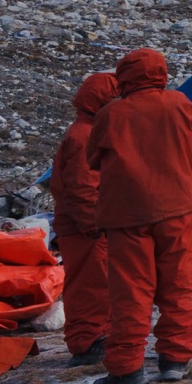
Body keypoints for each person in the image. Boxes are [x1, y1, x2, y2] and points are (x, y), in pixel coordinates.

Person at [88, 46, 192, 384]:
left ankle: (126, 368)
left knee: (132, 292)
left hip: (128, 214)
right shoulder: (181, 103)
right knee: (178, 285)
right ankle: (175, 360)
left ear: (125, 76)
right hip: (177, 207)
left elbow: (93, 158)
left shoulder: (111, 114)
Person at [47, 70, 117, 365]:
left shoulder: (86, 130)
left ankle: (96, 338)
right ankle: (88, 343)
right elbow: (83, 189)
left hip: (83, 226)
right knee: (92, 285)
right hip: (86, 229)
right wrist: (96, 227)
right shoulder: (84, 135)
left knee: (94, 284)